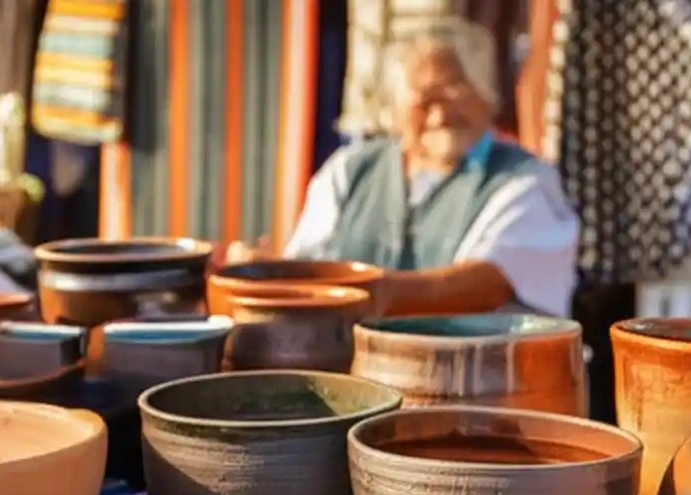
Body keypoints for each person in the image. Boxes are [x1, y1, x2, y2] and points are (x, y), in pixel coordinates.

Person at [229, 21, 579, 317]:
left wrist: (366, 291)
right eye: (424, 102)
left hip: (475, 385)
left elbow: (487, 283)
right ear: (394, 111)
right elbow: (307, 263)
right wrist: (266, 270)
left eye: (454, 94)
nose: (440, 117)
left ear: (487, 98)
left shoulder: (526, 181)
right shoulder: (350, 170)